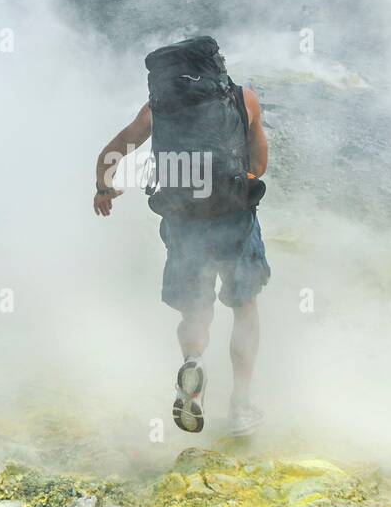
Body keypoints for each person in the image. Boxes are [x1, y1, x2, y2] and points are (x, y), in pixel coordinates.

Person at [93, 37, 270, 437]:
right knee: (244, 307)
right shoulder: (245, 99)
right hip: (234, 218)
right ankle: (240, 407)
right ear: (216, 65)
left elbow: (114, 150)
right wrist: (232, 180)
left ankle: (193, 362)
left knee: (195, 310)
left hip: (181, 220)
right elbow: (259, 165)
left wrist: (104, 189)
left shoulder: (159, 108)